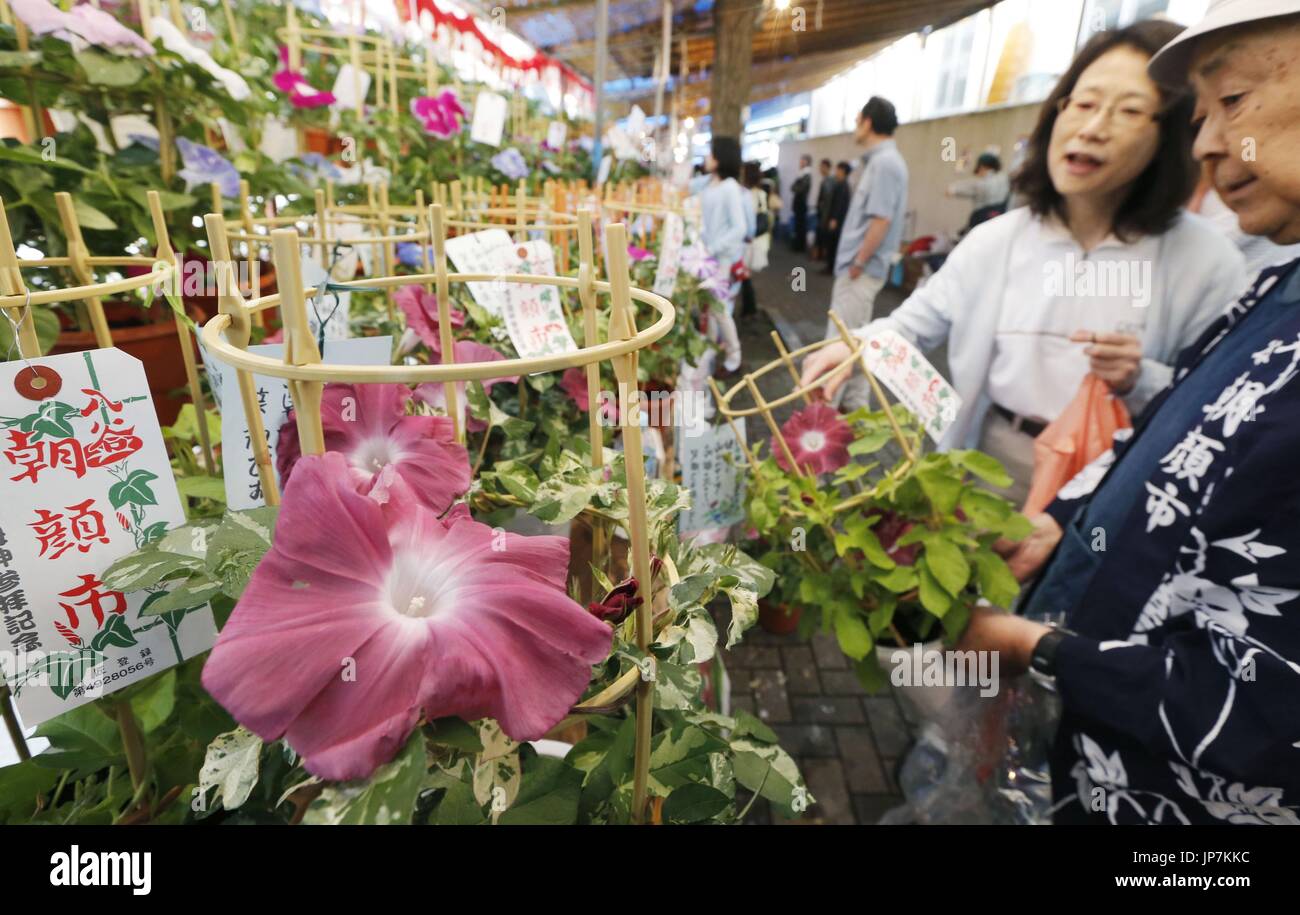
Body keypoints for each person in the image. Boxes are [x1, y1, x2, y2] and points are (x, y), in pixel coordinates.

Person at [957, 0, 1300, 825]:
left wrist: (1034, 647)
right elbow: (1177, 442)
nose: (1210, 143)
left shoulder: (1210, 260)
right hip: (1101, 759)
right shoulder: (1273, 289)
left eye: (1235, 101)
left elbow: (1267, 703)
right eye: (1082, 101)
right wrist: (1066, 526)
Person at [802, 22, 1248, 505]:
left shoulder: (1207, 263)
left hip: (1108, 485)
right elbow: (915, 324)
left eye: (1129, 111)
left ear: (1173, 133)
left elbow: (1216, 407)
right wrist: (855, 347)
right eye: (1083, 103)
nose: (1093, 127)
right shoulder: (996, 241)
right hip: (986, 464)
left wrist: (1141, 378)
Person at [823, 96, 910, 409]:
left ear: (869, 122)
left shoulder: (885, 163)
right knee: (855, 340)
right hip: (861, 268)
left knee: (841, 342)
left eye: (858, 119)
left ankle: (825, 417)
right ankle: (855, 410)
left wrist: (858, 262)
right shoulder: (881, 162)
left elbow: (881, 219)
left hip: (861, 269)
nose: (855, 127)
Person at [691, 136, 747, 376]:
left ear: (720, 158)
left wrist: (712, 248)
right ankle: (712, 350)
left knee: (720, 308)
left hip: (719, 259)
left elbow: (740, 228)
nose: (707, 157)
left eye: (711, 154)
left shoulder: (730, 188)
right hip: (706, 257)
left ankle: (734, 357)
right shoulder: (709, 184)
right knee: (712, 308)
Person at [947, 151, 1011, 229]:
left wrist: (952, 189)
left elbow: (952, 190)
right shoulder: (1005, 179)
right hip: (999, 223)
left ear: (982, 166)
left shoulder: (982, 184)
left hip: (981, 220)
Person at [823, 161, 853, 275]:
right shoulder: (840, 184)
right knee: (832, 243)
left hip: (836, 221)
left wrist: (834, 219)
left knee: (833, 244)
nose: (836, 172)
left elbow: (839, 205)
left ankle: (831, 267)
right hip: (836, 220)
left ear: (843, 172)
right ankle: (830, 266)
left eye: (838, 170)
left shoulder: (842, 186)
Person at [812, 158, 836, 261]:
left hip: (826, 214)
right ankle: (820, 255)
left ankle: (821, 256)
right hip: (823, 213)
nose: (820, 169)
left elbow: (827, 199)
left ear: (827, 167)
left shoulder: (829, 181)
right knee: (821, 234)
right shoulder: (826, 180)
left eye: (822, 167)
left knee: (823, 235)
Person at [790, 154, 813, 252]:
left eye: (803, 161)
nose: (801, 162)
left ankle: (799, 247)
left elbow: (798, 189)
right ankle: (798, 245)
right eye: (801, 160)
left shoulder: (806, 175)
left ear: (807, 162)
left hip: (801, 203)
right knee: (798, 225)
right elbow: (793, 187)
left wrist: (795, 187)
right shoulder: (802, 174)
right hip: (799, 203)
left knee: (800, 226)